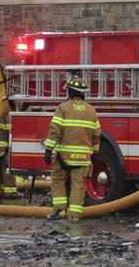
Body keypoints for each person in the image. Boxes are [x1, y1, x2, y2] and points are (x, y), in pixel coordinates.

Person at [43, 77, 101, 222]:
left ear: (69, 91)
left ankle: (60, 211)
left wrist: (48, 149)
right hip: (83, 158)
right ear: (83, 93)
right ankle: (75, 216)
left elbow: (55, 130)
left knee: (58, 180)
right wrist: (94, 152)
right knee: (78, 185)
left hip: (64, 157)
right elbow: (96, 134)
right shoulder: (91, 111)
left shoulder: (63, 108)